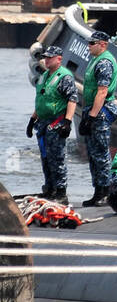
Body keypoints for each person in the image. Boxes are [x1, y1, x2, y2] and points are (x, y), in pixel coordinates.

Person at [28, 46, 79, 203]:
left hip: (56, 122)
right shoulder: (44, 76)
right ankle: (49, 188)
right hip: (42, 122)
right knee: (45, 157)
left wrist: (68, 122)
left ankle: (61, 192)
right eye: (45, 57)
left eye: (50, 57)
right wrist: (32, 120)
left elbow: (72, 99)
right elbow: (42, 100)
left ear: (59, 59)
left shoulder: (64, 76)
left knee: (56, 158)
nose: (47, 59)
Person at [78, 29, 117, 207]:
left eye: (92, 43)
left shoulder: (104, 62)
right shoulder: (95, 60)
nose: (88, 46)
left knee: (101, 153)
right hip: (92, 110)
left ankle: (106, 191)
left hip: (100, 111)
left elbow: (102, 91)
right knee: (93, 153)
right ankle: (98, 190)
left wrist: (92, 117)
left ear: (103, 44)